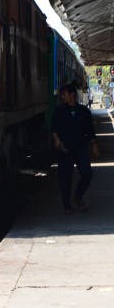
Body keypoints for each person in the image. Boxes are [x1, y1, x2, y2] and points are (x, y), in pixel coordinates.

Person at [51, 83, 99, 213]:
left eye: (64, 94)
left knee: (87, 173)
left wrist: (94, 145)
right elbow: (54, 128)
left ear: (72, 95)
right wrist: (57, 141)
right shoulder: (59, 111)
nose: (62, 97)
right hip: (65, 149)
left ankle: (78, 196)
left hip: (81, 148)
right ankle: (67, 206)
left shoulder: (84, 111)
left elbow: (90, 130)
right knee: (65, 178)